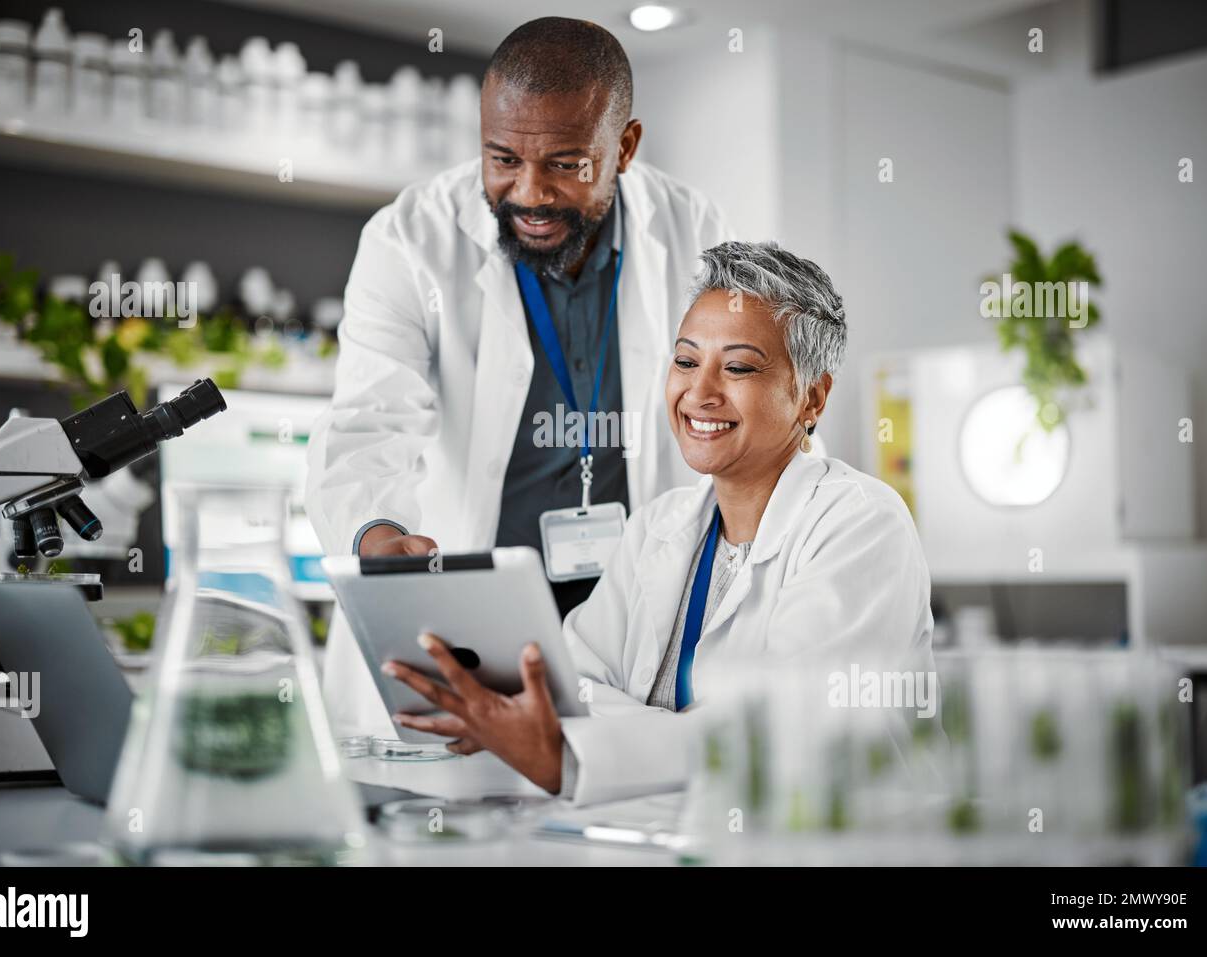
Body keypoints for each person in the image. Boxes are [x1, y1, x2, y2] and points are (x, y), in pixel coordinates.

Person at [385, 241, 937, 805]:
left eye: (739, 367)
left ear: (811, 398)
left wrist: (587, 746)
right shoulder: (658, 527)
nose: (699, 393)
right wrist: (660, 731)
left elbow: (782, 733)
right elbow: (574, 687)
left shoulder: (861, 523)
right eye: (685, 360)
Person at [306, 18, 734, 740]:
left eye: (567, 164)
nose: (528, 193)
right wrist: (376, 531)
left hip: (629, 630)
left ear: (624, 147)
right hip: (469, 623)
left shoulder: (693, 230)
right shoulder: (409, 238)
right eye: (502, 157)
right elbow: (368, 422)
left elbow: (729, 416)